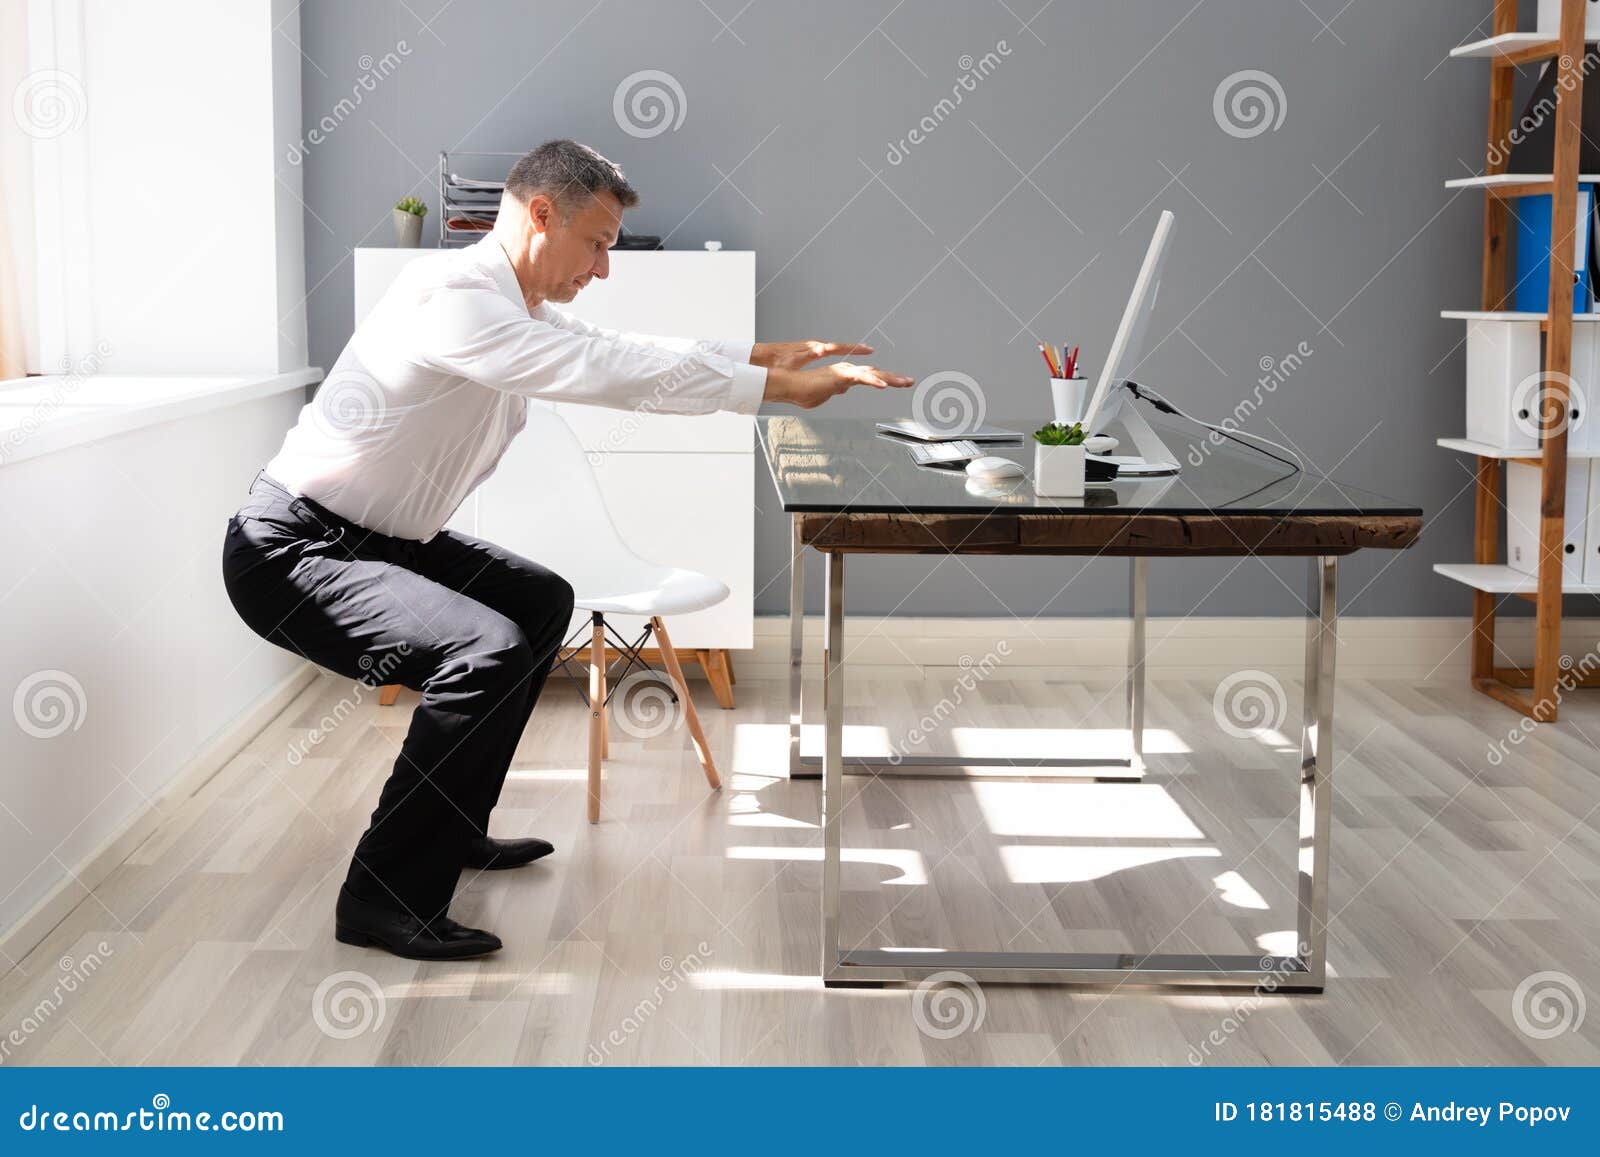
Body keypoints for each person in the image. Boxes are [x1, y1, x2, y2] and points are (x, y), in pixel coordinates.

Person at [220, 140, 911, 961]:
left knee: (538, 601)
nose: (604, 268)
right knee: (483, 651)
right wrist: (767, 393)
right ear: (540, 214)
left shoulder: (517, 308)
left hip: (379, 539)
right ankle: (383, 897)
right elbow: (600, 368)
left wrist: (762, 355)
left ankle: (451, 830)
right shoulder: (455, 299)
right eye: (598, 244)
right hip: (291, 550)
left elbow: (626, 347)